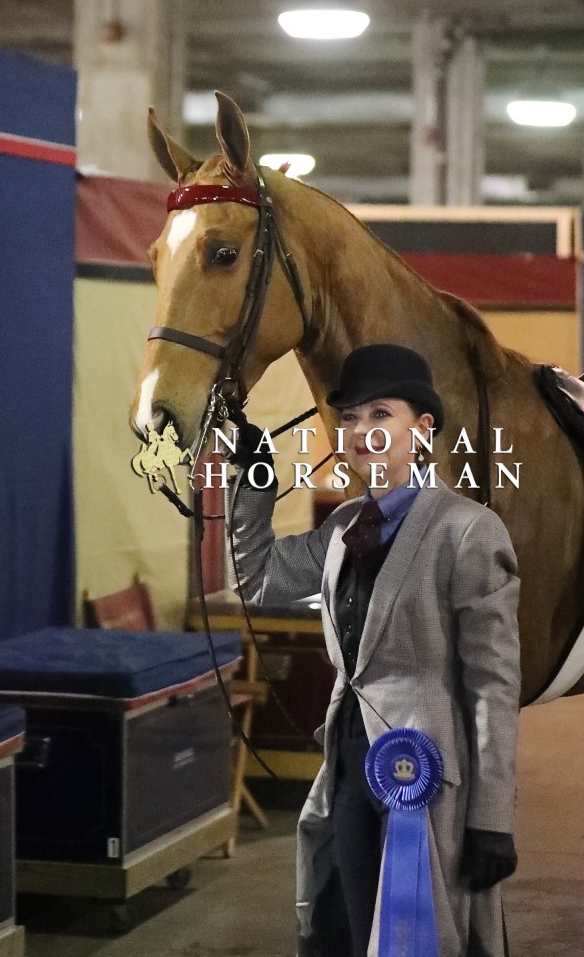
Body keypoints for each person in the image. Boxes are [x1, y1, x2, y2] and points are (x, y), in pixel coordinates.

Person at [227, 344, 521, 957]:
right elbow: (256, 579)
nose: (362, 432)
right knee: (354, 927)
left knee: (424, 936)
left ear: (422, 427)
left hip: (428, 772)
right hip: (349, 761)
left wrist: (492, 815)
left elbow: (493, 683)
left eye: (380, 414)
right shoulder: (343, 528)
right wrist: (255, 480)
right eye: (351, 418)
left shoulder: (468, 530)